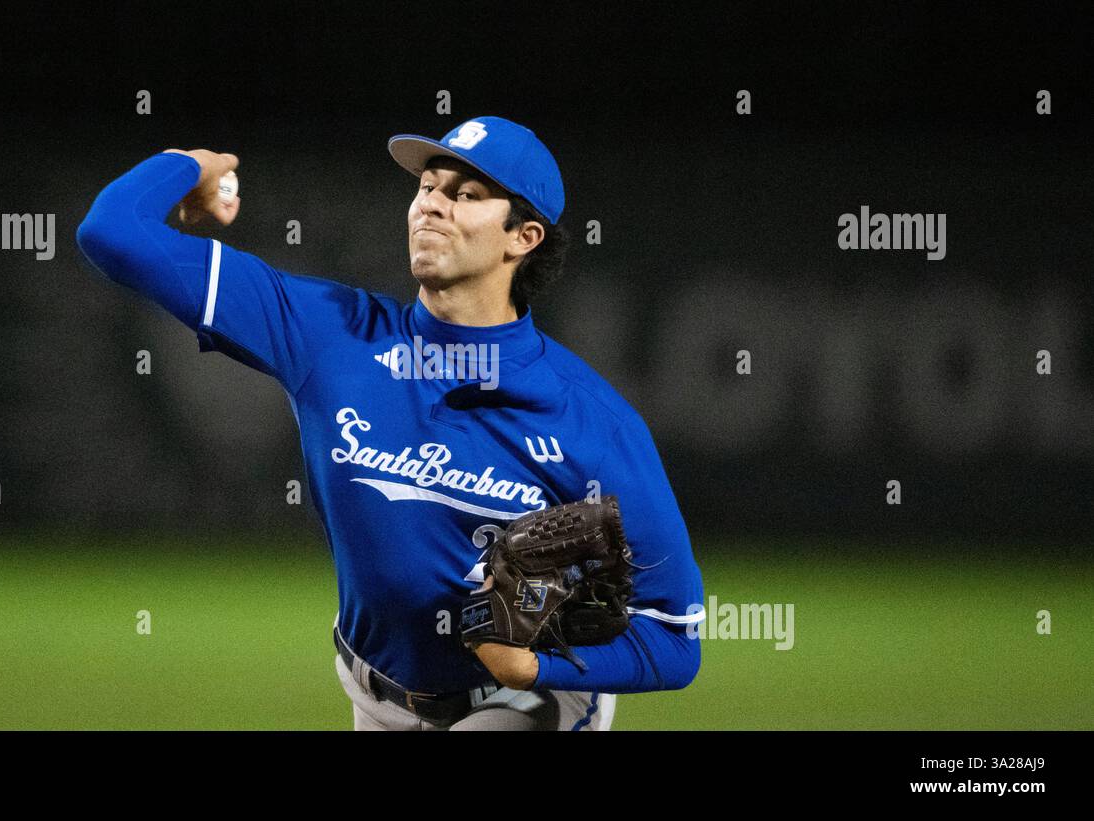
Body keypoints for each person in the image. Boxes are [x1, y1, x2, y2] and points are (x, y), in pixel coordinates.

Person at [76, 116, 705, 731]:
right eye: (428, 186)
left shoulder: (592, 422)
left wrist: (533, 665)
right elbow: (110, 230)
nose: (432, 205)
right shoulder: (329, 334)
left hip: (529, 704)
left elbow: (678, 640)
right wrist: (191, 165)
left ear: (524, 237)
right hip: (374, 696)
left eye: (466, 195)